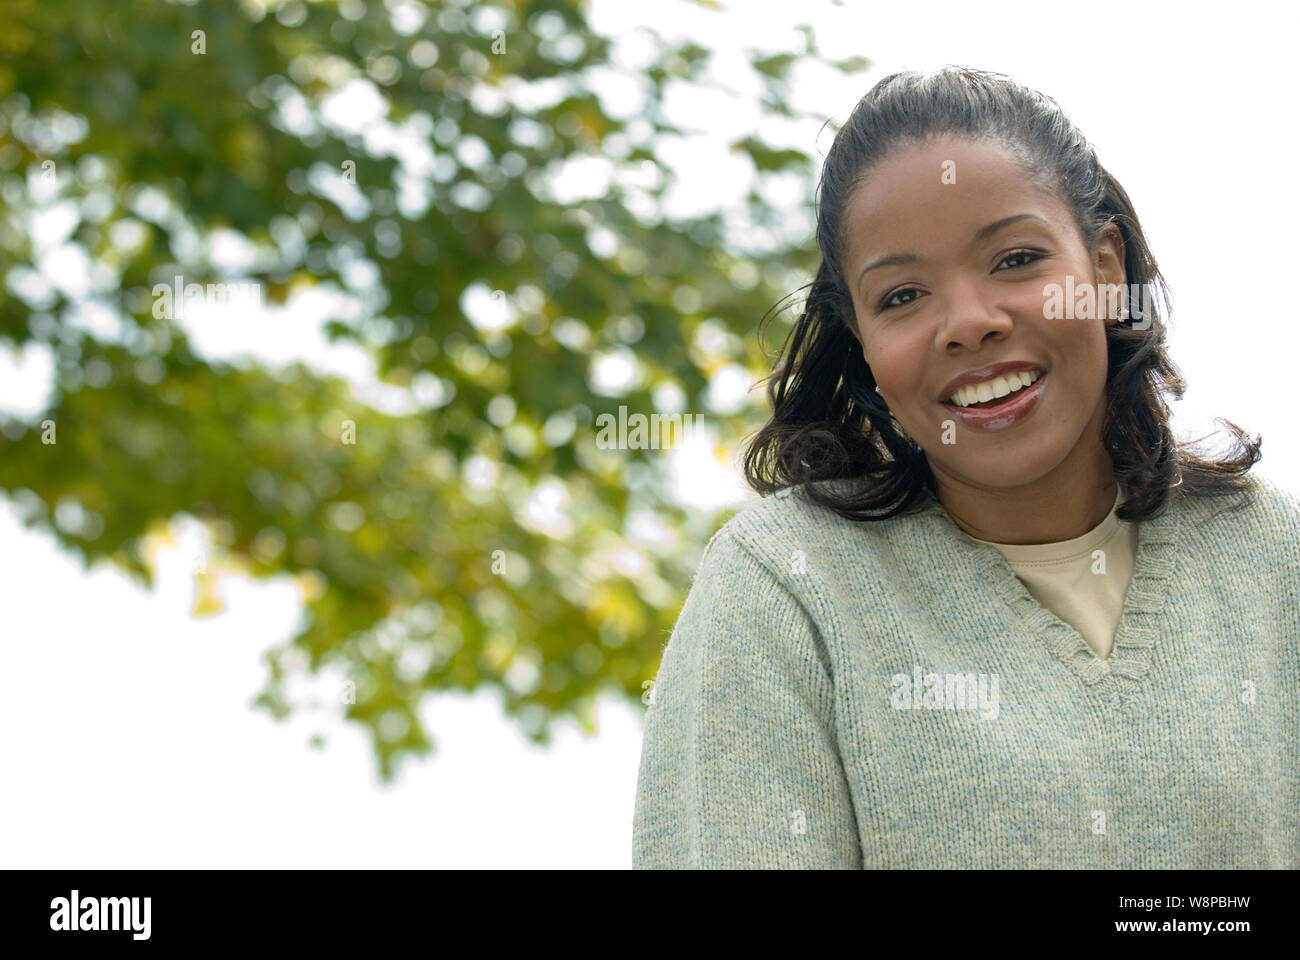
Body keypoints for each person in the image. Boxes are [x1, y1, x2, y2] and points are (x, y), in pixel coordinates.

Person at [631, 66, 1299, 869]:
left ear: (1105, 267)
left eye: (1016, 258)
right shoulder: (787, 585)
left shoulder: (1270, 556)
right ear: (866, 343)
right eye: (903, 296)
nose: (969, 323)